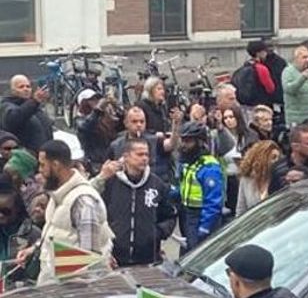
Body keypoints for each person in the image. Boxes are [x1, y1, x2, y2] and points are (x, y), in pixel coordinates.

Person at [15, 138, 113, 284]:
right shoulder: (59, 195)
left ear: (56, 165)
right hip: (53, 290)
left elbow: (91, 261)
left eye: (42, 165)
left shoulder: (83, 202)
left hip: (71, 295)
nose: (40, 171)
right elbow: (58, 234)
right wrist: (34, 249)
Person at [93, 139, 176, 268]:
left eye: (147, 154)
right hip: (115, 259)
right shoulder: (111, 183)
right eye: (139, 154)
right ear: (126, 157)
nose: (144, 158)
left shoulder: (157, 184)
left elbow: (170, 215)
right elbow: (97, 216)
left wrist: (156, 233)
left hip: (148, 260)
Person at [176, 121, 225, 251]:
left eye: (188, 141)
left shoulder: (209, 167)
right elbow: (183, 188)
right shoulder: (188, 163)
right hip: (188, 215)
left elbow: (213, 202)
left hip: (203, 216)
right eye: (183, 140)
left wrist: (205, 227)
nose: (184, 145)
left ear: (199, 142)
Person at [1, 75, 54, 153]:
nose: (25, 89)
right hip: (23, 158)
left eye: (28, 86)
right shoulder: (6, 106)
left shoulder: (34, 106)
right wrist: (34, 101)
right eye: (21, 87)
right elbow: (14, 118)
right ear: (12, 90)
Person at [74, 90, 121, 172]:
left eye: (98, 99)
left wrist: (116, 106)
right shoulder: (80, 120)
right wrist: (97, 110)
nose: (96, 101)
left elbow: (123, 123)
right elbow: (85, 127)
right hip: (94, 164)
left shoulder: (102, 118)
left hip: (111, 160)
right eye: (92, 99)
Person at [0, 176, 39, 270]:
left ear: (17, 209)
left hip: (23, 283)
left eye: (6, 211)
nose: (0, 215)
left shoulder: (32, 233)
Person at [281, 44, 308, 128]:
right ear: (296, 59)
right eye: (304, 57)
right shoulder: (288, 71)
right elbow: (289, 89)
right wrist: (302, 78)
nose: (307, 60)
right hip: (297, 120)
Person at [235, 140, 280, 216]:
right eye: (273, 157)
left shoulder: (278, 178)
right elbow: (241, 209)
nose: (276, 161)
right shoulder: (246, 179)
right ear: (261, 158)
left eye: (278, 157)